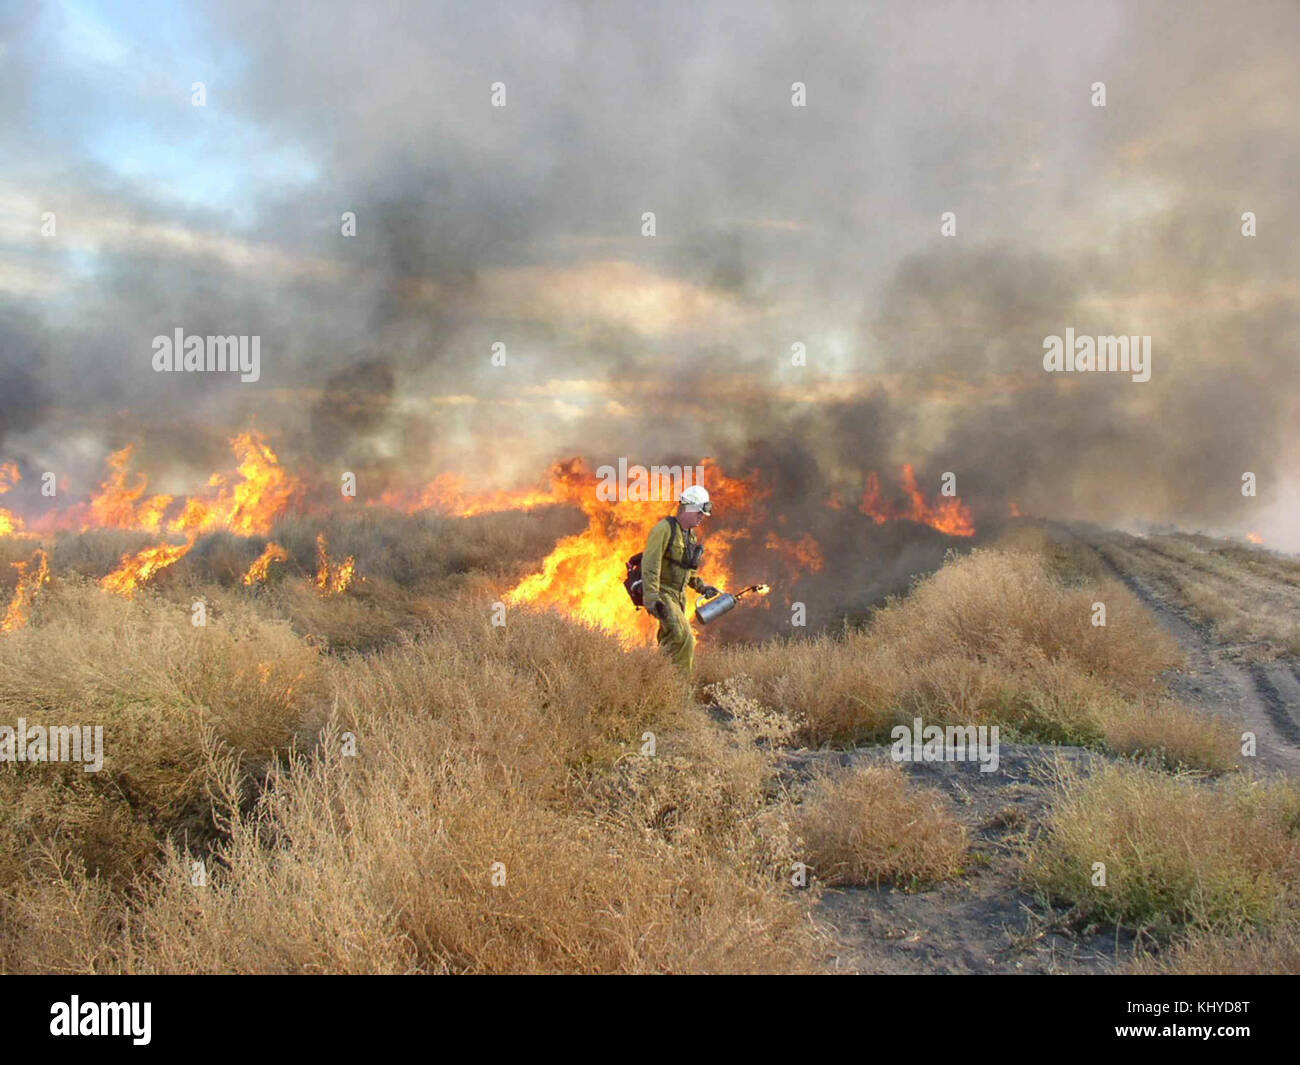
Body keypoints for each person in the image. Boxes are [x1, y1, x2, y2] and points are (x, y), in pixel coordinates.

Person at [640, 484, 721, 675]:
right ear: (687, 507)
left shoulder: (690, 536)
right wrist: (652, 599)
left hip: (678, 596)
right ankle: (680, 690)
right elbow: (650, 565)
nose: (701, 517)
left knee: (670, 642)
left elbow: (688, 570)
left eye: (703, 513)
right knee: (684, 637)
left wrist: (702, 587)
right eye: (699, 512)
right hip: (663, 593)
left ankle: (657, 683)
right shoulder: (664, 529)